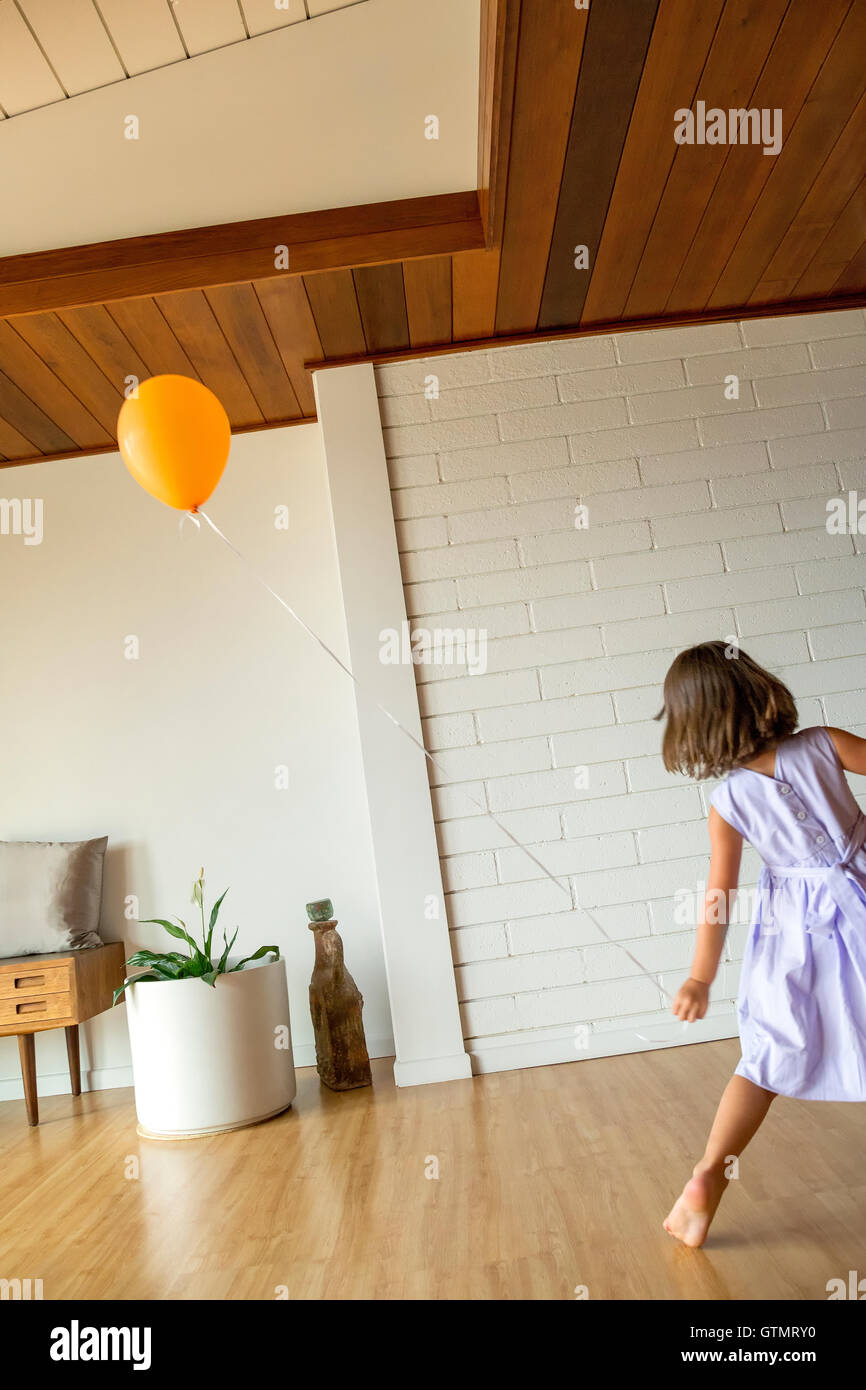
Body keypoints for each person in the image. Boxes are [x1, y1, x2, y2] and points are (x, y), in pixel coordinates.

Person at [656, 641, 866, 1247]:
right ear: (758, 688)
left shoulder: (727, 801)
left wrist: (700, 976)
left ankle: (707, 1178)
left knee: (769, 1053)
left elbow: (718, 896)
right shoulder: (825, 743)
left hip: (795, 933)